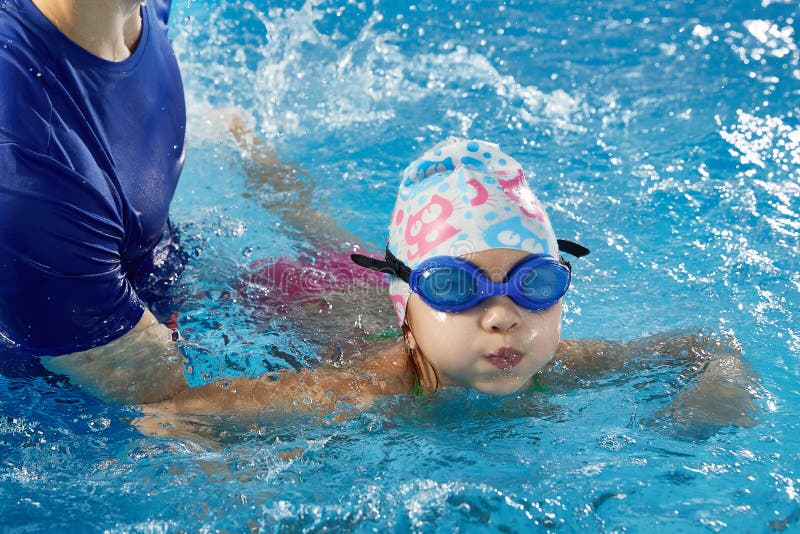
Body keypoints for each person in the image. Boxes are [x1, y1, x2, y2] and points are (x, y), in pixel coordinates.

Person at [136, 138, 757, 436]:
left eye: (534, 282)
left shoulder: (563, 363)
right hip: (298, 291)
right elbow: (168, 413)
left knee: (332, 230)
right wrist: (219, 474)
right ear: (409, 312)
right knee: (282, 237)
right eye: (459, 289)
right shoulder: (367, 388)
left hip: (391, 275)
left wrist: (719, 395)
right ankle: (249, 147)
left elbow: (708, 347)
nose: (503, 318)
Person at [0, 0, 189, 401]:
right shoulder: (26, 155)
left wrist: (308, 221)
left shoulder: (128, 10)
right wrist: (359, 385)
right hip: (45, 393)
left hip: (146, 270)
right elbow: (170, 410)